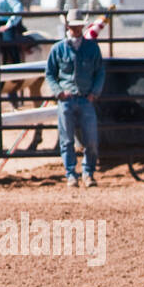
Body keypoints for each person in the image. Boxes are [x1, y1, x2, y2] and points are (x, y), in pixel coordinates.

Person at [45, 10, 105, 188]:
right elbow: (50, 74)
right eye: (74, 25)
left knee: (91, 140)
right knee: (67, 140)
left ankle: (87, 172)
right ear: (68, 26)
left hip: (85, 98)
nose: (77, 28)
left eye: (79, 25)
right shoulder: (58, 49)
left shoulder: (92, 48)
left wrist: (94, 92)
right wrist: (59, 92)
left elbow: (100, 72)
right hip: (67, 99)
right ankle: (72, 174)